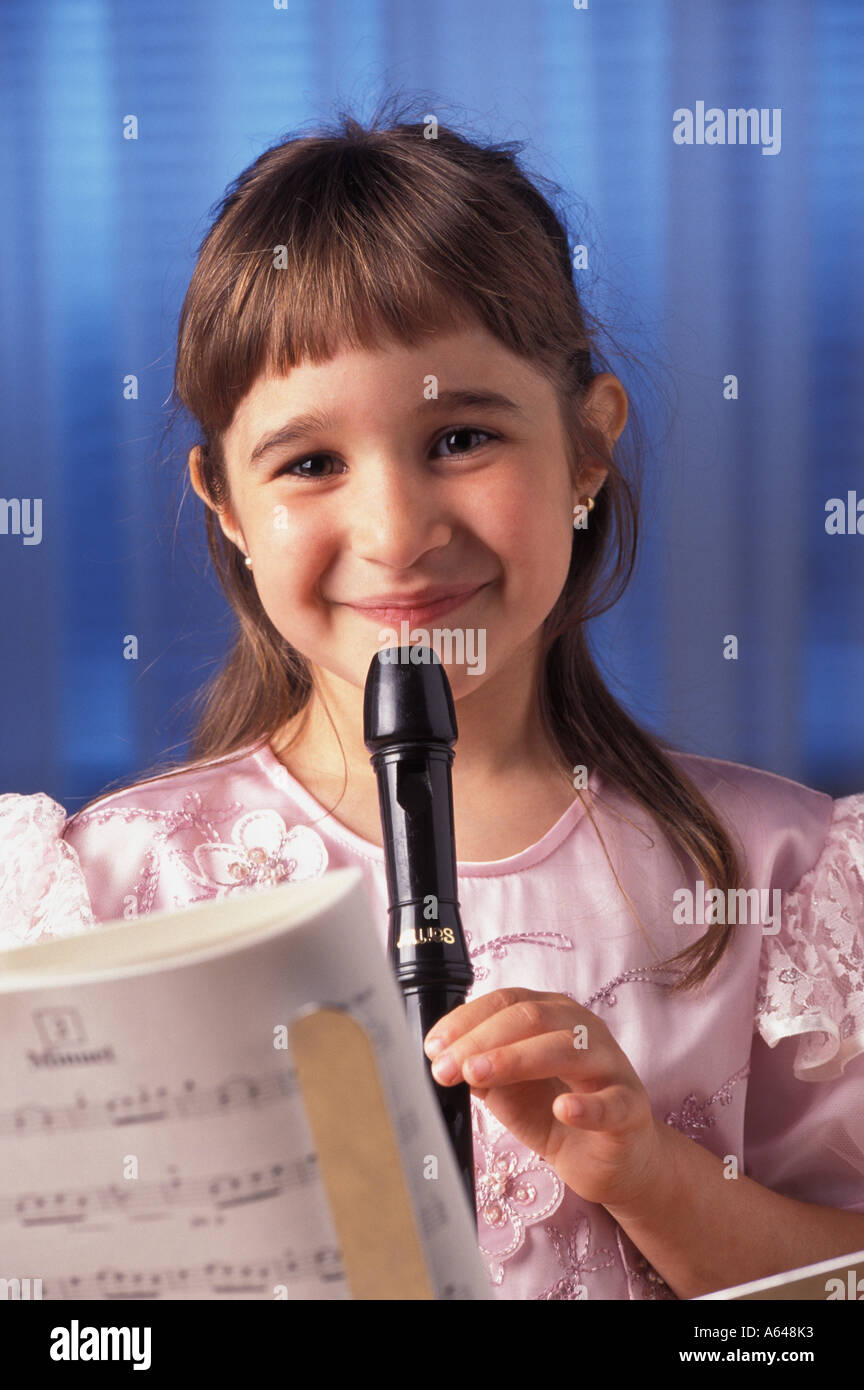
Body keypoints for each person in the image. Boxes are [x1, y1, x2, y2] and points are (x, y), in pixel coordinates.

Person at [2, 100, 863, 1301]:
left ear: (586, 449)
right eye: (310, 463)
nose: (398, 534)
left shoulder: (780, 874)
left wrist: (652, 1175)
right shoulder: (103, 893)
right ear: (228, 506)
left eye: (461, 435)